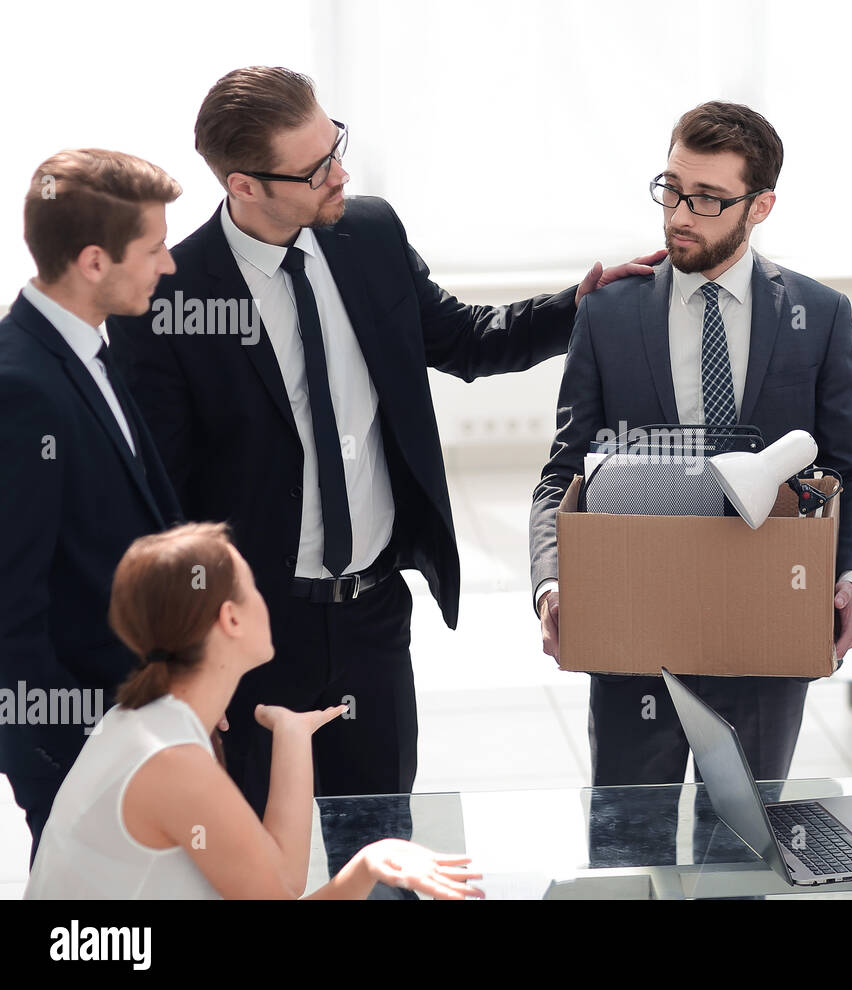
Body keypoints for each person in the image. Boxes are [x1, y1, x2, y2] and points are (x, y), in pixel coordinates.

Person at [107, 66, 663, 832]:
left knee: (382, 850)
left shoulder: (367, 234)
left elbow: (463, 339)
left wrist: (577, 306)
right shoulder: (169, 298)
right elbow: (159, 499)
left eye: (335, 144)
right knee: (244, 865)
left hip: (371, 617)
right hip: (251, 634)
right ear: (243, 185)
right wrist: (178, 663)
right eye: (314, 170)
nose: (341, 173)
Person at [529, 101, 852, 790]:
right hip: (634, 627)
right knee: (631, 853)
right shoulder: (608, 313)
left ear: (761, 207)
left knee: (745, 854)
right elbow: (561, 475)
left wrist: (851, 580)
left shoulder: (821, 318)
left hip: (766, 630)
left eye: (708, 199)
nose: (680, 216)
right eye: (672, 190)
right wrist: (551, 582)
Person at [25, 522, 481, 899]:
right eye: (254, 587)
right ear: (232, 619)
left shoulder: (147, 720)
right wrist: (368, 861)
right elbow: (279, 892)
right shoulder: (172, 760)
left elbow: (276, 881)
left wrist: (292, 734)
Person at [0, 150, 185, 862]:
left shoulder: (90, 353)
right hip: (89, 762)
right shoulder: (23, 390)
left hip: (142, 736)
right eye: (155, 248)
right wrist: (59, 774)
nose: (168, 266)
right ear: (93, 261)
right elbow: (12, 615)